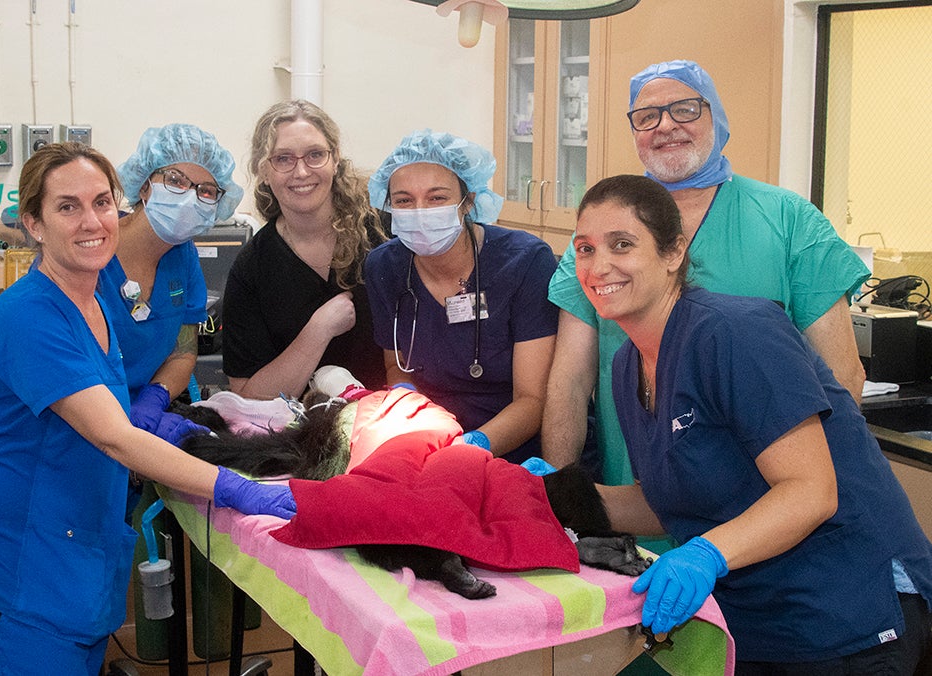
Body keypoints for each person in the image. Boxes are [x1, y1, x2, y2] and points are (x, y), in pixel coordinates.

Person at [0, 142, 295, 676]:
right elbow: (115, 437)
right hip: (25, 563)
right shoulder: (30, 315)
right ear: (34, 224)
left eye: (101, 202)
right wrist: (238, 487)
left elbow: (151, 377)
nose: (91, 221)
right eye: (67, 206)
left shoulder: (91, 303)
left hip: (80, 553)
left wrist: (159, 405)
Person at [576, 174, 932, 673]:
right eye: (585, 249)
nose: (599, 266)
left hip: (845, 613)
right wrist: (560, 499)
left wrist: (705, 555)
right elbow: (675, 497)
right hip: (752, 620)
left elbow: (811, 492)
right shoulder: (628, 367)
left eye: (622, 245)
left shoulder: (737, 334)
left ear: (674, 251)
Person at [542, 59, 870, 486]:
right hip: (637, 495)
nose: (665, 125)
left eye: (685, 109)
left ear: (716, 115)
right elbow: (570, 380)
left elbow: (842, 376)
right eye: (647, 117)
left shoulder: (789, 221)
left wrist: (813, 499)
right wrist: (556, 497)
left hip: (765, 502)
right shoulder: (600, 231)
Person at [364, 130, 558, 463]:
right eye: (404, 200)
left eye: (437, 198)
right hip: (431, 440)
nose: (420, 211)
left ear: (468, 201)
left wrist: (471, 447)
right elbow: (398, 371)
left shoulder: (524, 262)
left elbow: (533, 400)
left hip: (519, 450)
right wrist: (407, 409)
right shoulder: (385, 267)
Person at [222, 100, 388, 399]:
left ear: (335, 159)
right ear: (263, 170)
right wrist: (318, 330)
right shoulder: (253, 269)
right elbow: (247, 395)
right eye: (283, 159)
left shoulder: (382, 231)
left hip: (392, 423)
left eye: (315, 155)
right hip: (297, 433)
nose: (301, 172)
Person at [103, 123, 242, 411]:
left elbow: (182, 354)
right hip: (77, 419)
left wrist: (155, 398)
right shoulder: (95, 250)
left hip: (142, 415)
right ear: (144, 185)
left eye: (206, 190)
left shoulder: (184, 257)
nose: (190, 197)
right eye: (175, 180)